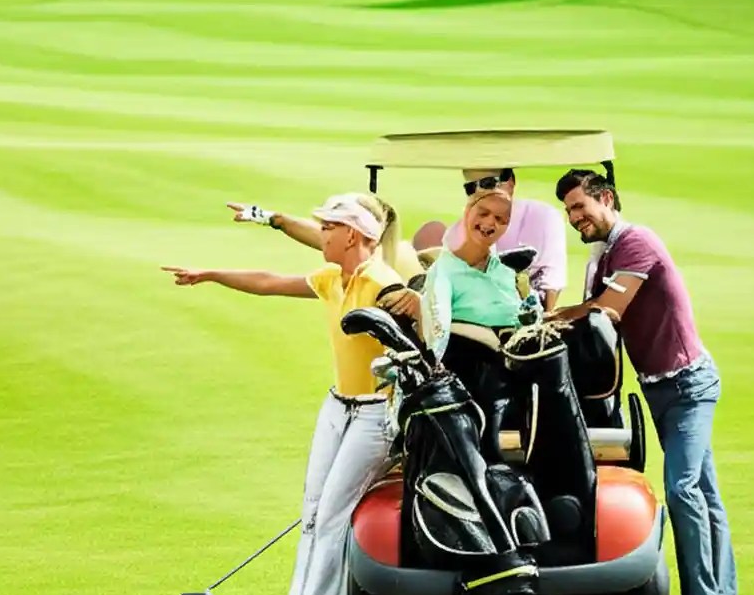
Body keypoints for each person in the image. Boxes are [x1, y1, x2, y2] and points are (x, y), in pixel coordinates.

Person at [162, 193, 412, 595]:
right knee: (314, 513)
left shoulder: (381, 282)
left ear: (352, 234)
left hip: (376, 415)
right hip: (338, 407)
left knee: (334, 511)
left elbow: (416, 321)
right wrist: (212, 275)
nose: (323, 235)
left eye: (329, 228)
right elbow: (269, 282)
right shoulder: (335, 277)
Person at [546, 169, 738, 595]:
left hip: (688, 385)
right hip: (657, 389)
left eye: (580, 208)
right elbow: (594, 306)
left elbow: (608, 309)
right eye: (569, 211)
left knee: (683, 491)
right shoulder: (602, 254)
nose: (574, 219)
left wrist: (559, 315)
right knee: (706, 492)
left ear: (605, 198)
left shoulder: (636, 242)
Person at [416, 187, 528, 463]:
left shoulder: (504, 272)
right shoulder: (444, 270)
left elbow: (526, 315)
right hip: (465, 369)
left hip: (512, 367)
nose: (490, 223)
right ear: (467, 213)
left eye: (500, 219)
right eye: (484, 213)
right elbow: (437, 327)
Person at [414, 168, 568, 311]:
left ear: (510, 183)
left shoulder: (544, 216)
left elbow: (551, 280)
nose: (480, 192)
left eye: (487, 184)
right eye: (471, 188)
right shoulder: (462, 229)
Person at [225, 194, 425, 283]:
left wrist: (270, 218)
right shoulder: (391, 251)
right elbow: (318, 235)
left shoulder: (374, 267)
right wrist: (270, 218)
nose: (325, 235)